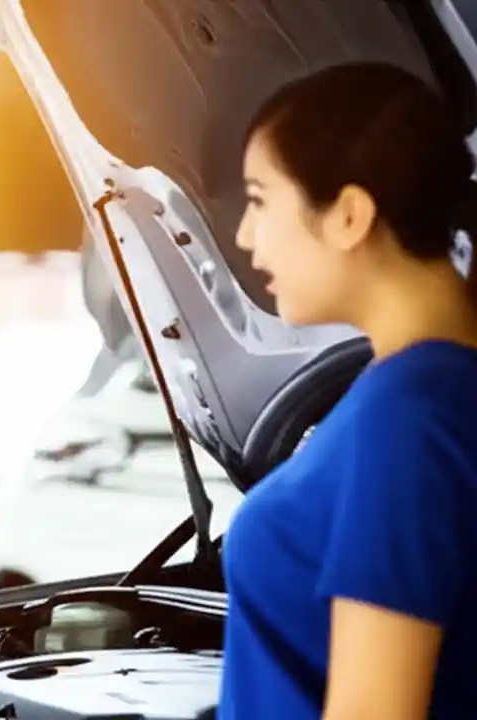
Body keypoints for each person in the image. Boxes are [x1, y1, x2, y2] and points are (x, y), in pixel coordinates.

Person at [221, 61, 477, 718]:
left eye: (258, 198)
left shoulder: (410, 419)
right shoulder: (430, 395)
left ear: (348, 215)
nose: (245, 235)